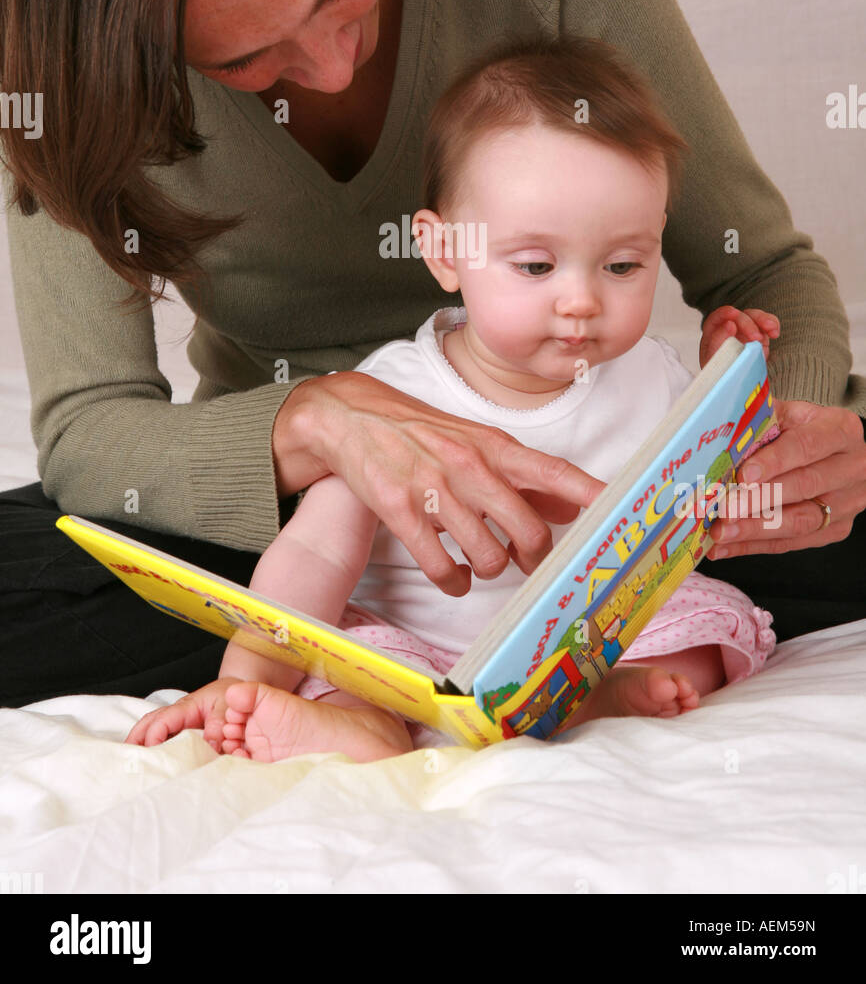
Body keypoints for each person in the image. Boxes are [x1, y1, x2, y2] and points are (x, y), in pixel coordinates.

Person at [1, 0, 864, 710]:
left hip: (596, 499)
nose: (324, 65)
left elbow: (762, 273)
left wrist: (790, 432)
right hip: (308, 528)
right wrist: (321, 422)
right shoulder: (64, 70)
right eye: (242, 56)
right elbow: (93, 432)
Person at [127, 37, 782, 762]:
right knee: (351, 668)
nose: (582, 300)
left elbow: (716, 480)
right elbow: (313, 550)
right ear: (444, 253)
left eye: (624, 265)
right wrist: (244, 677)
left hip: (588, 640)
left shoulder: (655, 378)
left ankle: (601, 693)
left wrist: (728, 371)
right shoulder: (394, 396)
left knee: (704, 626)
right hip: (415, 644)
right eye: (535, 265)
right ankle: (357, 728)